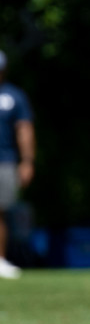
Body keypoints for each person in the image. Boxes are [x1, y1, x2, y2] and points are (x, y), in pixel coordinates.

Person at [0, 50, 35, 280]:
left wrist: (27, 161)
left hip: (4, 161)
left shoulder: (14, 96)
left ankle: (0, 260)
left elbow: (24, 129)